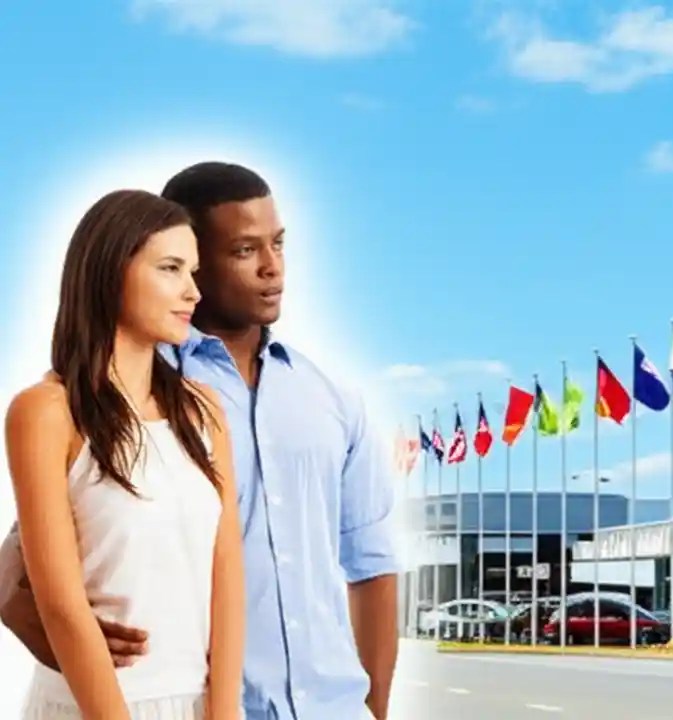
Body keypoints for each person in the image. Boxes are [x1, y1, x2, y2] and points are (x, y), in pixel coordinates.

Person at [0, 162, 402, 719]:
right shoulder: (115, 390)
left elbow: (372, 561)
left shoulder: (329, 400)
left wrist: (372, 710)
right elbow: (41, 545)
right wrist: (21, 601)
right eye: (244, 250)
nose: (272, 267)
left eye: (278, 244)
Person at [3, 189, 245, 718]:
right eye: (170, 269)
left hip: (199, 702)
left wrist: (225, 710)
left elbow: (226, 570)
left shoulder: (204, 410)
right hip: (93, 705)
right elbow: (60, 604)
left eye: (193, 272)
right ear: (111, 271)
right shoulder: (45, 412)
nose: (193, 292)